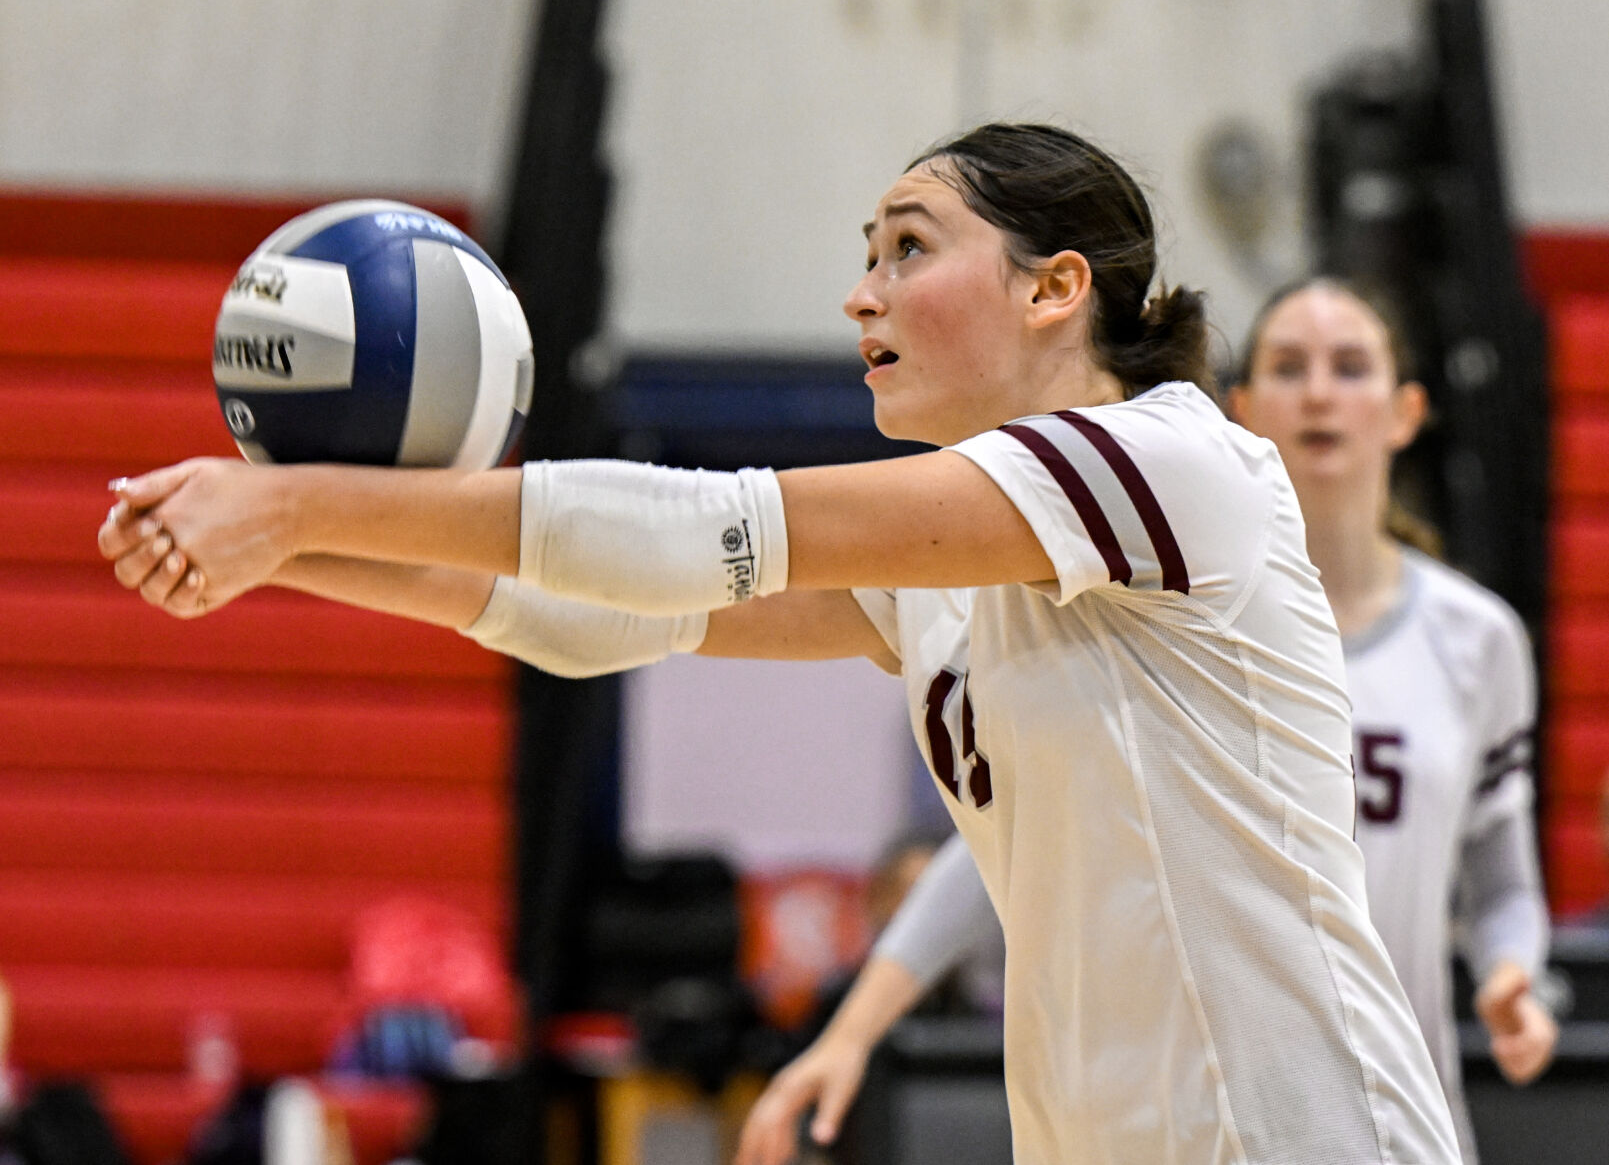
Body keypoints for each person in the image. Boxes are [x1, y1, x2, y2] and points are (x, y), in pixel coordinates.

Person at [99, 124, 1463, 1164]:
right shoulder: (948, 571)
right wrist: (287, 553)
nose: (863, 294)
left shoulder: (1172, 461)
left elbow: (702, 531)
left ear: (1055, 286)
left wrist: (290, 496)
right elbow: (611, 613)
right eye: (866, 254)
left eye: (910, 248)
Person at [735, 277, 1556, 1165]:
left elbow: (1501, 879)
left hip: (1373, 1102)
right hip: (1191, 1101)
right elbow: (1004, 851)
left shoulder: (1475, 640)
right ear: (1237, 409)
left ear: (1404, 412)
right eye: (1288, 365)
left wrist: (1518, 976)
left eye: (1350, 367)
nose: (1319, 392)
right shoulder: (1135, 602)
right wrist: (851, 1030)